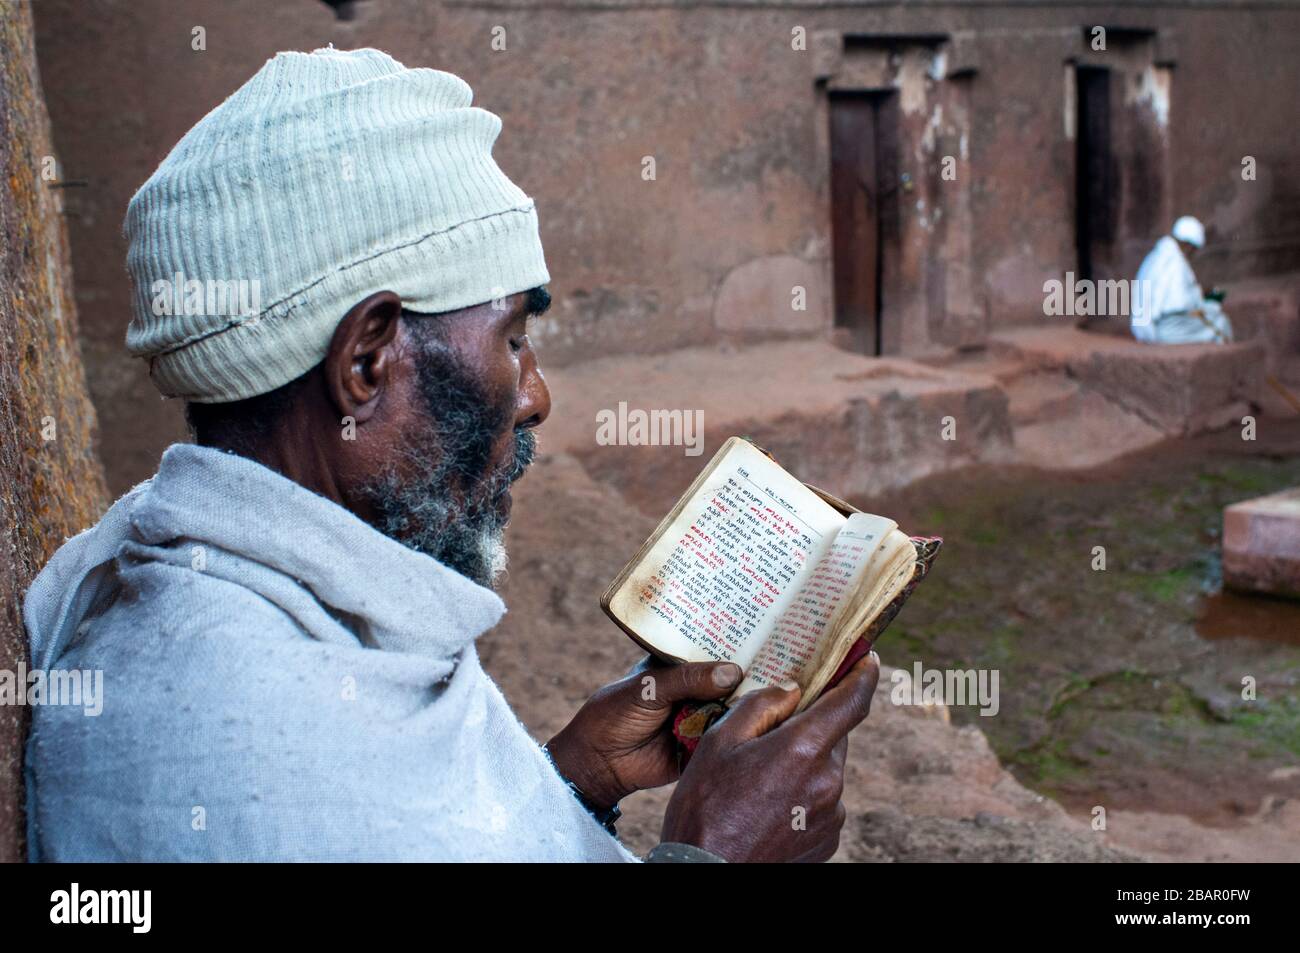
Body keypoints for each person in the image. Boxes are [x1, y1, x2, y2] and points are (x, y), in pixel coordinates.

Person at [21, 48, 879, 862]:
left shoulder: (251, 587)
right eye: (512, 337)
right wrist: (712, 852)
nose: (536, 394)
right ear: (368, 360)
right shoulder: (226, 738)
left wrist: (574, 780)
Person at [1131, 215, 1233, 344]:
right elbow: (1180, 306)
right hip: (1163, 330)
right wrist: (1210, 301)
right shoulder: (1176, 262)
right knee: (1220, 322)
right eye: (1194, 250)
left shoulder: (1155, 256)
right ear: (1189, 246)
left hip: (1143, 329)